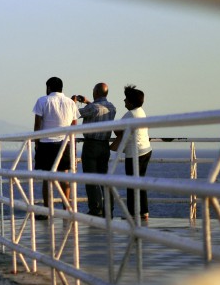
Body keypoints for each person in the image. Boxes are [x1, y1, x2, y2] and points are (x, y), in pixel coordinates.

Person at [32, 77, 79, 212]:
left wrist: (37, 142)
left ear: (49, 88)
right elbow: (74, 126)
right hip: (65, 143)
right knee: (64, 176)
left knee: (47, 178)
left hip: (46, 143)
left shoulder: (42, 100)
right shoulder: (71, 103)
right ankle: (67, 208)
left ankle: (48, 210)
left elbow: (37, 124)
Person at [73, 82, 116, 217]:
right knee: (104, 179)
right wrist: (87, 102)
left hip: (91, 145)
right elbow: (97, 110)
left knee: (91, 179)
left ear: (96, 92)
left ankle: (96, 209)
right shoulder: (112, 107)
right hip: (104, 146)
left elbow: (74, 114)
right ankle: (109, 209)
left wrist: (74, 102)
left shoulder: (92, 107)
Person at [111, 84, 152, 220]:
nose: (124, 101)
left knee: (132, 183)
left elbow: (117, 129)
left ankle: (133, 213)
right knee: (140, 182)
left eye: (125, 99)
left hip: (135, 153)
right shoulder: (141, 112)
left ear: (130, 101)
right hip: (145, 149)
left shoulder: (130, 114)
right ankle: (143, 212)